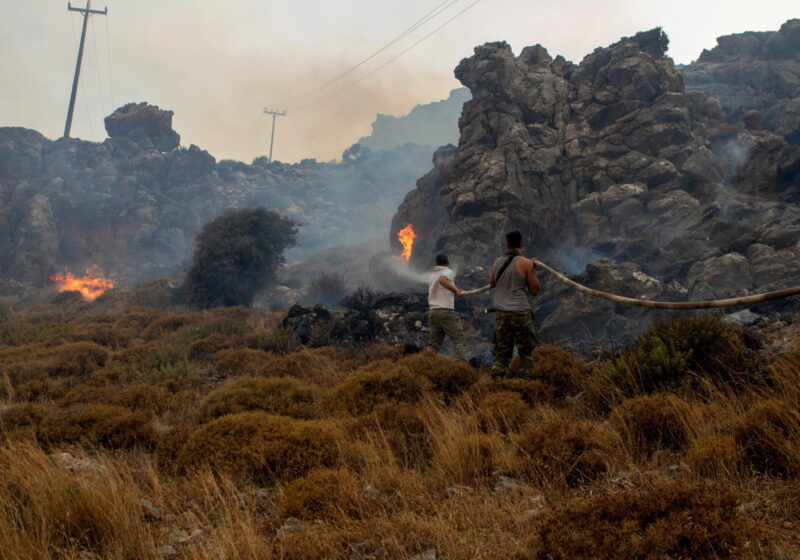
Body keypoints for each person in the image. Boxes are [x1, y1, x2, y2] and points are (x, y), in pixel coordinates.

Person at [489, 231, 540, 378]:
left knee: (501, 354)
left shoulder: (497, 262)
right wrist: (531, 269)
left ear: (507, 244)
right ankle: (525, 383)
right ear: (521, 244)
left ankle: (496, 381)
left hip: (501, 313)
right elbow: (534, 290)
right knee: (526, 353)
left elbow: (492, 283)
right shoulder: (526, 263)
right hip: (520, 312)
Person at [427, 253, 467, 361]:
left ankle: (425, 363)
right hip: (445, 311)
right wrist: (455, 291)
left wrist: (456, 290)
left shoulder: (432, 276)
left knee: (433, 345)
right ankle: (461, 366)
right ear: (448, 263)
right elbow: (442, 280)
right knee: (458, 340)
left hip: (433, 312)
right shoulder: (447, 271)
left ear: (436, 263)